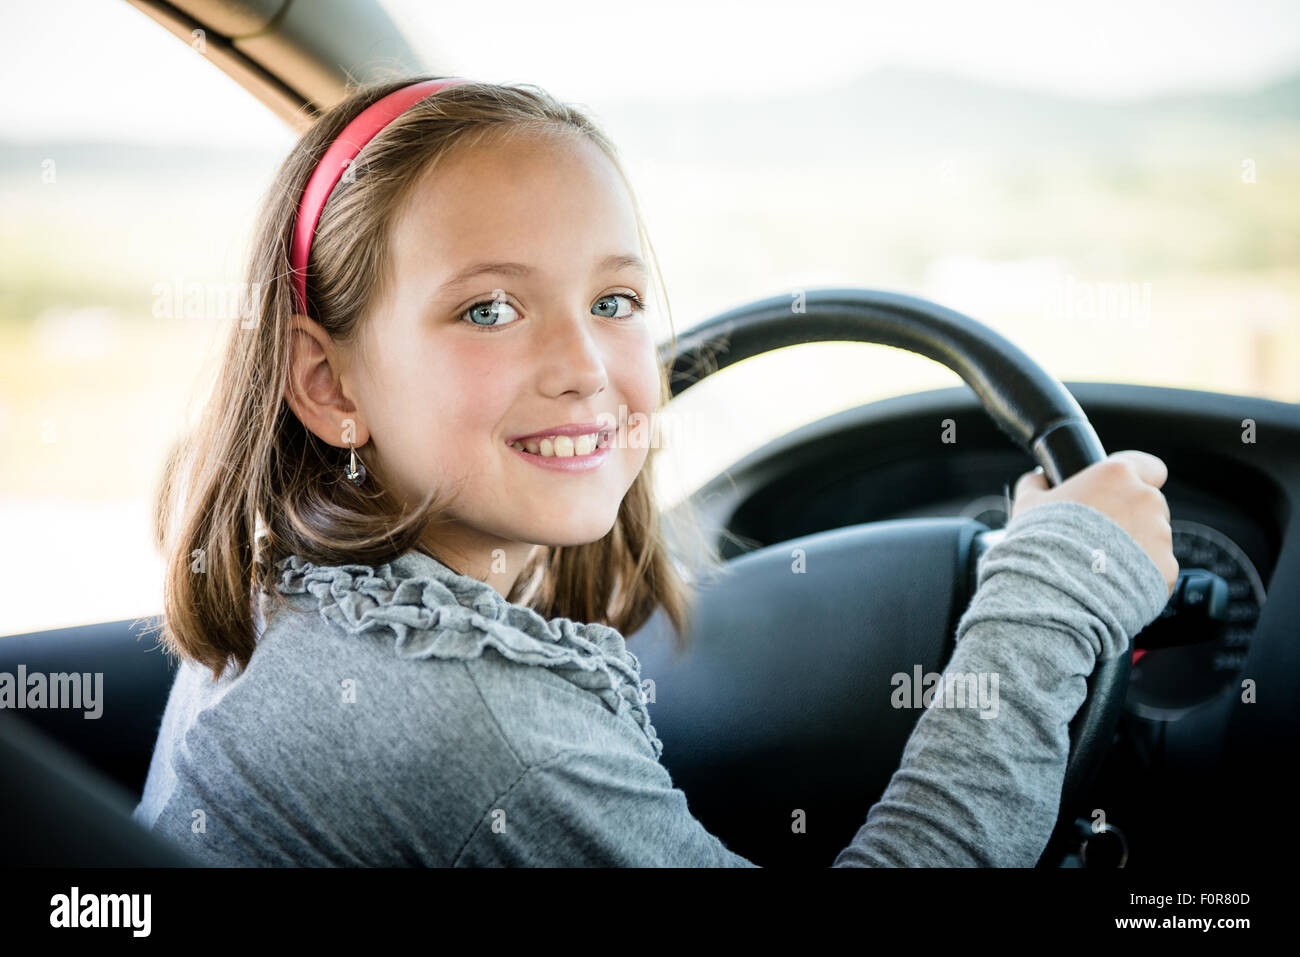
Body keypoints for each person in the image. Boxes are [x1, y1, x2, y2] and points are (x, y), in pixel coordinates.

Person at [132, 75, 1178, 866]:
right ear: (329, 384)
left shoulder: (283, 593)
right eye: (489, 310)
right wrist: (1052, 596)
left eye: (614, 302)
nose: (585, 370)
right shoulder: (472, 727)